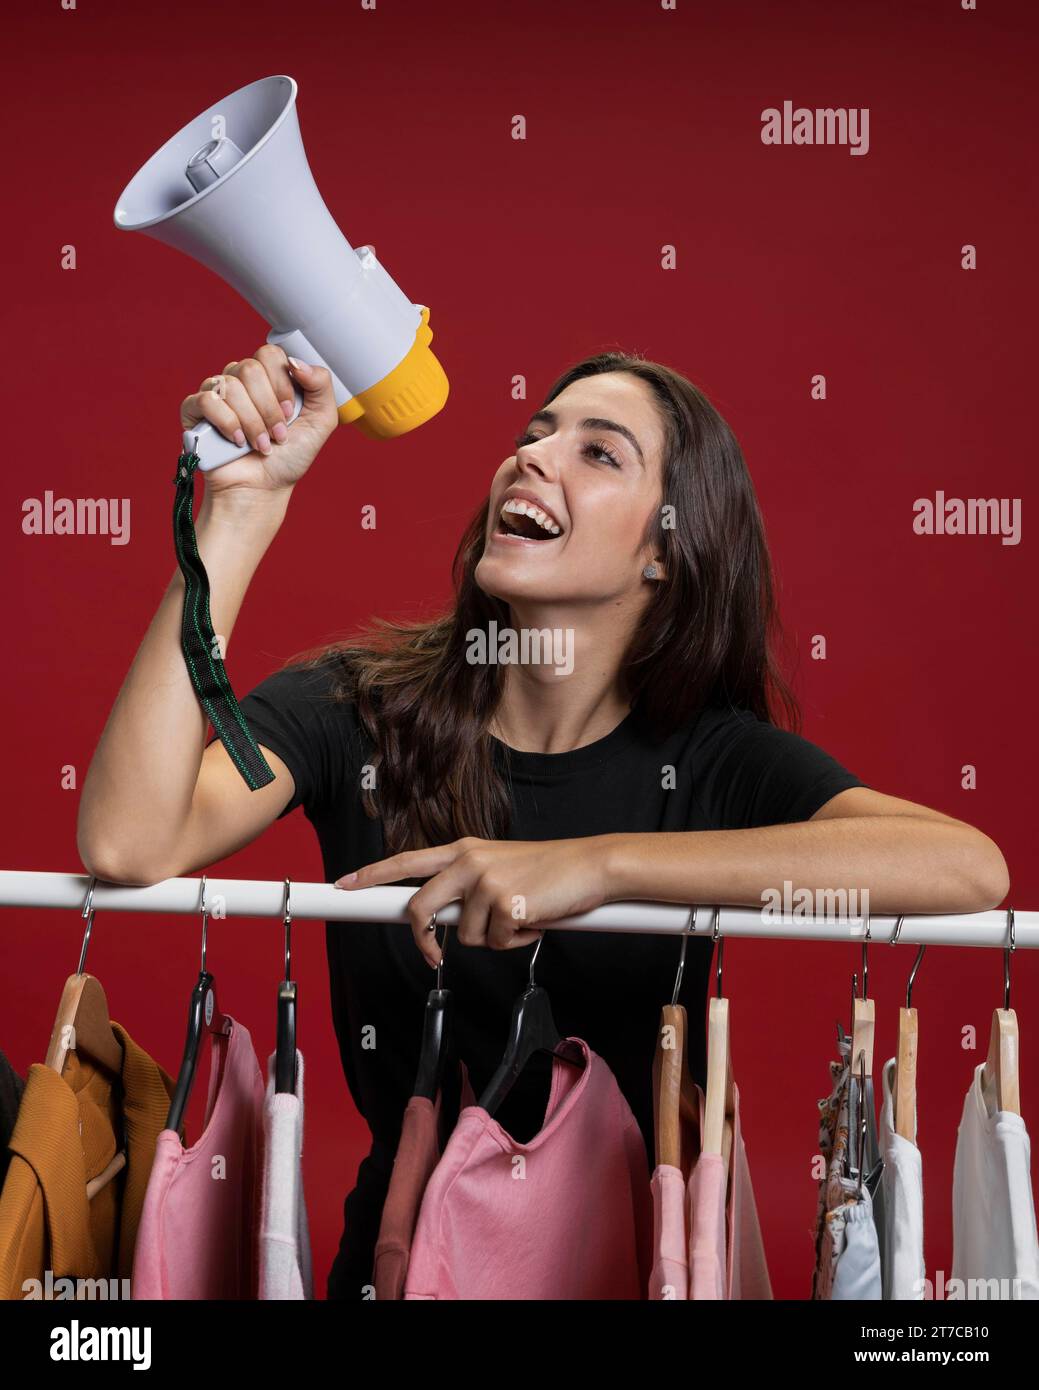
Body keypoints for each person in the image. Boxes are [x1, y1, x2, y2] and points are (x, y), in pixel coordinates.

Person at [77, 343, 1010, 1299]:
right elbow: (128, 841)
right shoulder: (353, 708)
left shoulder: (710, 757)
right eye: (534, 433)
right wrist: (238, 512)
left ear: (665, 549)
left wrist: (595, 866)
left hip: (620, 1269)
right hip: (397, 1266)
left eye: (598, 453)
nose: (533, 455)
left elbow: (964, 867)